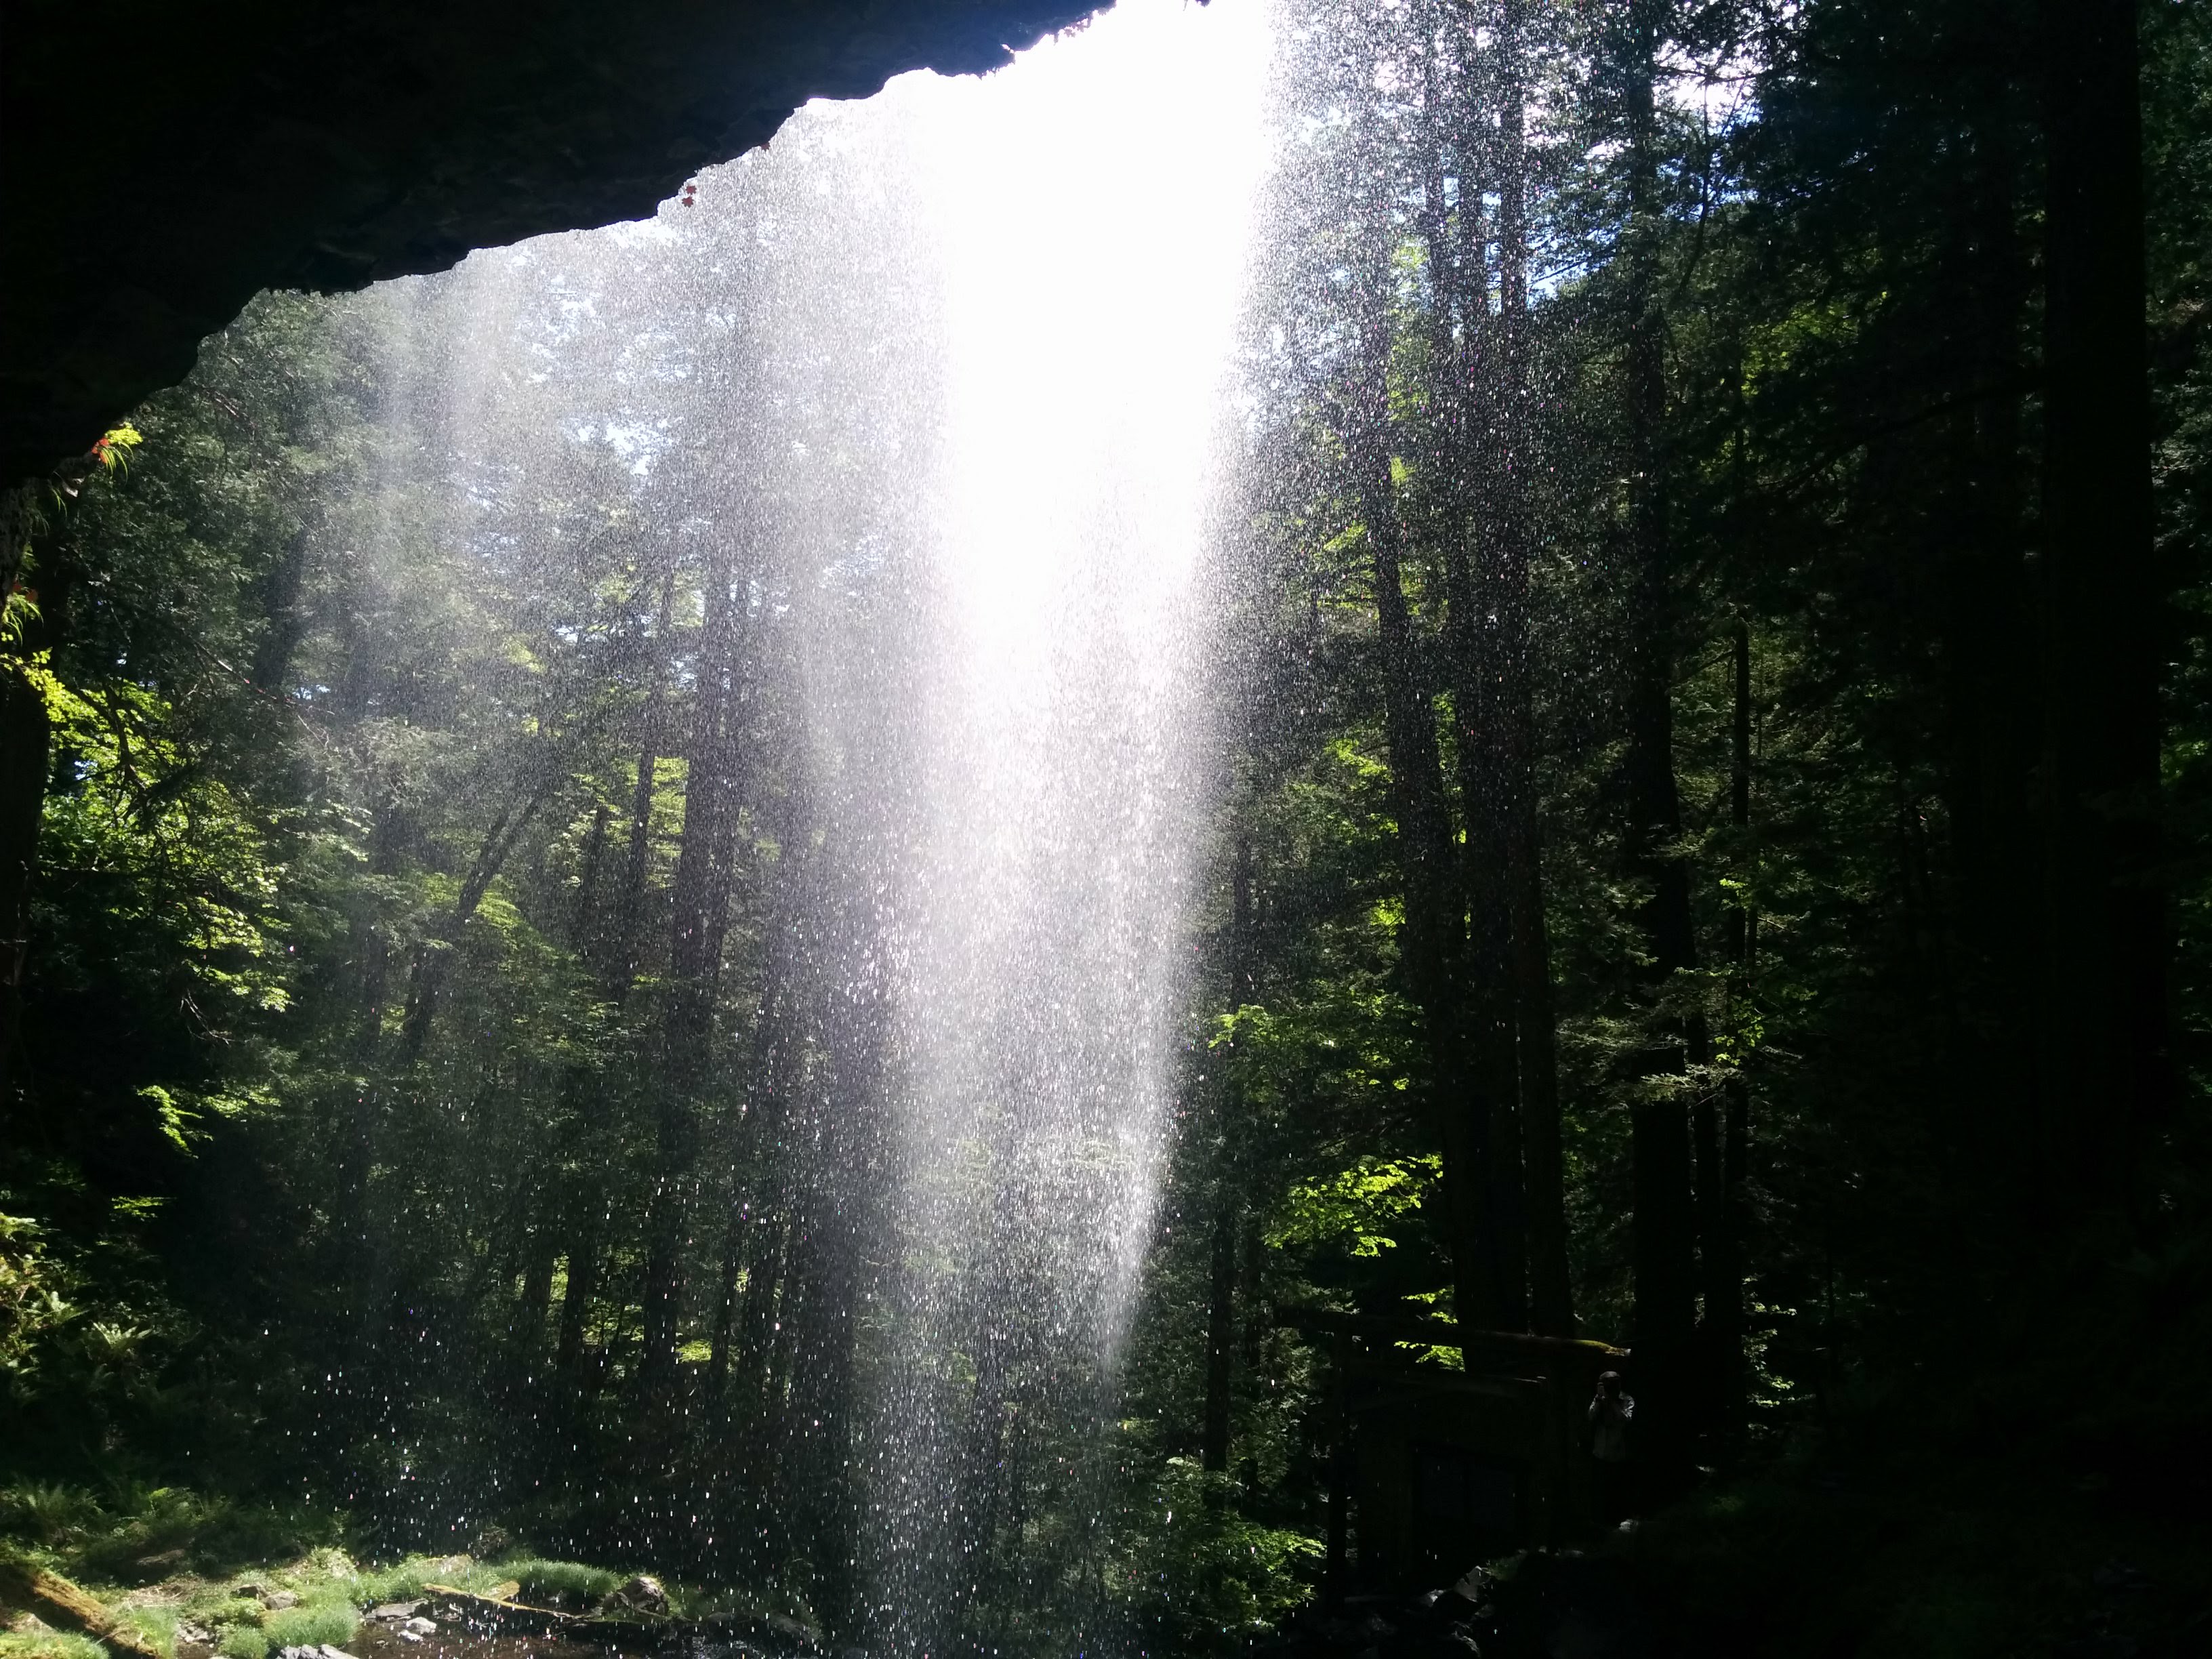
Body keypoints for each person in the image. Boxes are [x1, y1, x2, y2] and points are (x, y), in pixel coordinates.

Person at [1587, 1370, 1635, 1523]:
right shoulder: (1600, 1399)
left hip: (1618, 1454)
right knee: (1599, 1494)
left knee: (1617, 1494)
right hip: (1600, 1453)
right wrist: (1600, 1399)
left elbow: (1625, 1420)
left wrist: (1611, 1402)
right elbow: (1590, 1417)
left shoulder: (1626, 1400)